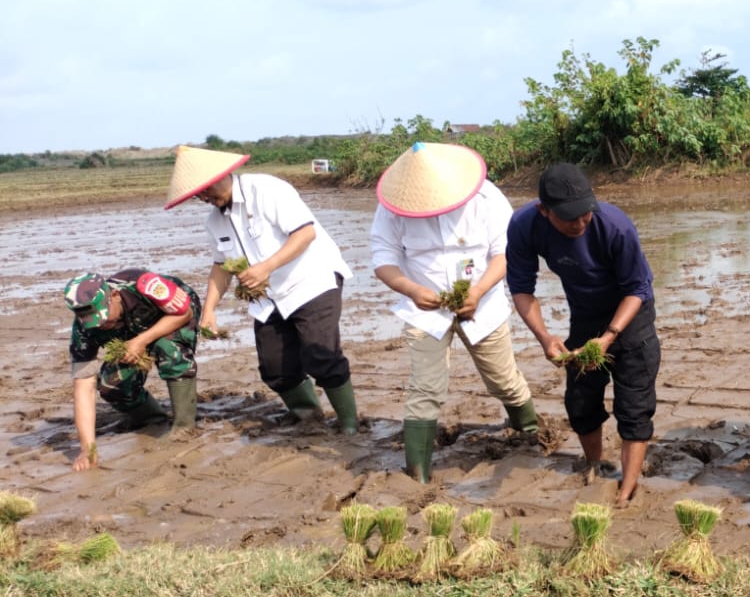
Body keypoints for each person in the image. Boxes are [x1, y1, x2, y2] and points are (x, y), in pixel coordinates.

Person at [370, 142, 540, 485]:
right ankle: (417, 475)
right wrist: (411, 290)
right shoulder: (392, 208)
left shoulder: (487, 198)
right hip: (425, 311)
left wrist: (476, 292)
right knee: (425, 390)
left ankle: (529, 433)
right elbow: (382, 258)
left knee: (503, 381)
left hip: (483, 304)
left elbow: (505, 253)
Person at [164, 144, 360, 432]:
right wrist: (208, 311)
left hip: (311, 281)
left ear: (225, 174)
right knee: (275, 369)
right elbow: (221, 266)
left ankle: (349, 422)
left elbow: (305, 233)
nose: (205, 197)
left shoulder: (267, 190)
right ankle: (308, 415)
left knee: (321, 356)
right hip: (269, 299)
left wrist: (266, 267)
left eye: (206, 189)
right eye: (198, 194)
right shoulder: (214, 221)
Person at [507, 162, 660, 505]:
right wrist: (544, 336)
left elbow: (637, 289)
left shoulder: (615, 226)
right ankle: (595, 463)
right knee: (580, 399)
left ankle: (627, 487)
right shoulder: (524, 226)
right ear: (544, 211)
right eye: (569, 218)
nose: (579, 223)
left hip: (631, 314)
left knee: (634, 404)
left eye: (585, 215)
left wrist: (610, 336)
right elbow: (521, 287)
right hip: (585, 315)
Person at [63, 268, 200, 470]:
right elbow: (84, 386)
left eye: (105, 319)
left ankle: (184, 427)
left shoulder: (146, 286)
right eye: (96, 323)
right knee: (112, 385)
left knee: (169, 350)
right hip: (131, 331)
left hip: (173, 312)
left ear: (115, 296)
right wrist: (87, 449)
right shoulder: (84, 329)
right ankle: (153, 419)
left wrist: (142, 340)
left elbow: (183, 312)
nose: (102, 326)